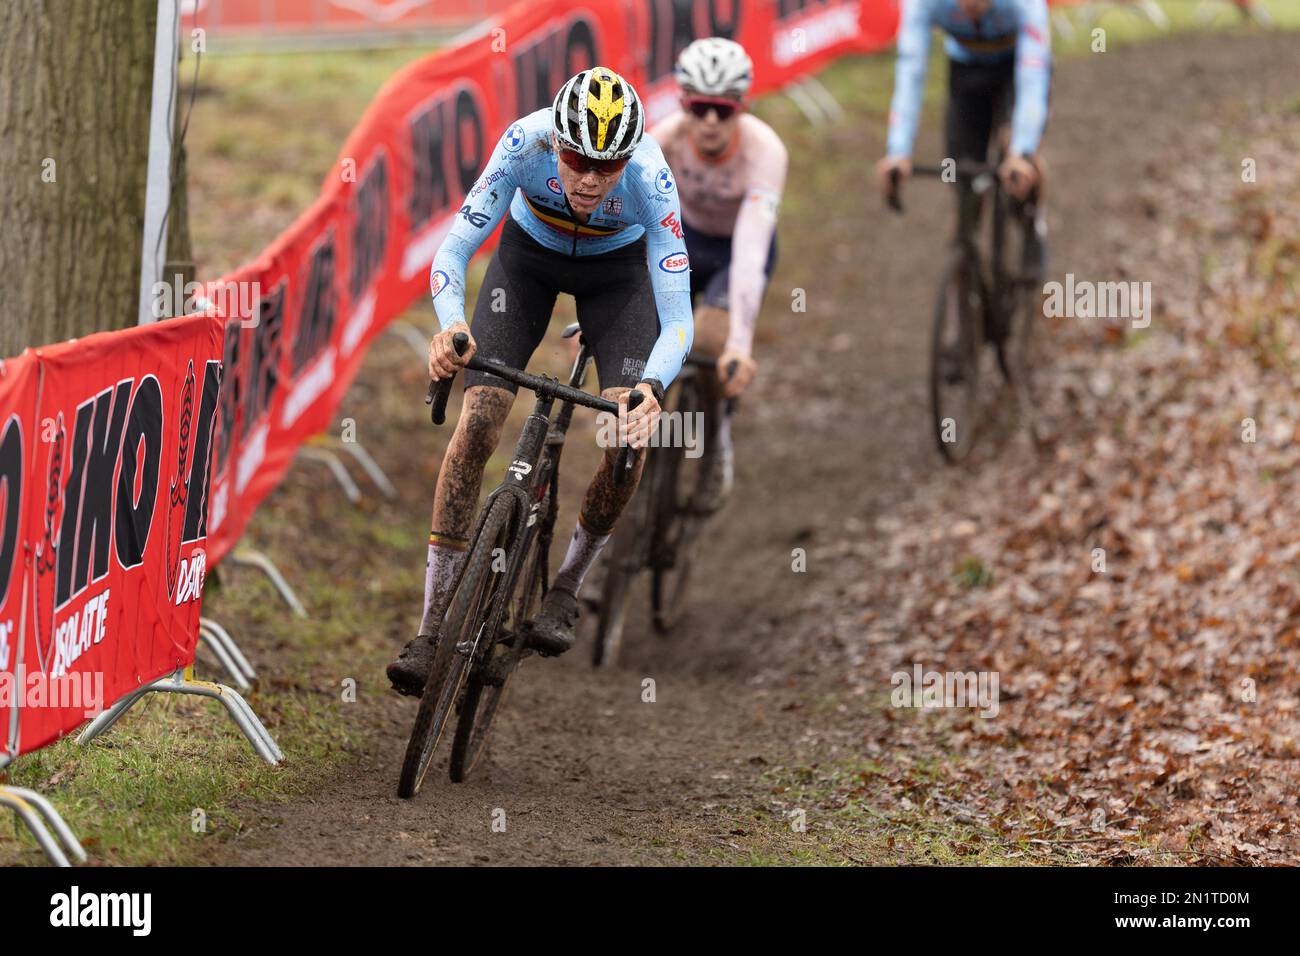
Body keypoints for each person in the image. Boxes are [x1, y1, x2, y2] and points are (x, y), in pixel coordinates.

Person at [387, 67, 693, 696]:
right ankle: (429, 630)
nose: (587, 178)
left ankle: (566, 589)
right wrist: (450, 330)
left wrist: (651, 388)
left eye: (606, 167)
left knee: (627, 439)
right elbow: (451, 253)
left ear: (628, 159)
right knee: (479, 419)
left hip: (619, 279)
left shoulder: (653, 183)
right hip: (527, 261)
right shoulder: (523, 143)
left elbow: (679, 319)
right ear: (557, 142)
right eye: (577, 157)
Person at [650, 37, 787, 504]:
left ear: (742, 108)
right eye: (699, 107)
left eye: (723, 111)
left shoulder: (765, 152)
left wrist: (739, 344)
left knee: (708, 342)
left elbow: (750, 252)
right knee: (645, 337)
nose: (710, 121)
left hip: (737, 251)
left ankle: (714, 440)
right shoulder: (662, 140)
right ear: (684, 103)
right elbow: (629, 222)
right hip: (683, 241)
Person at [876, 0, 1050, 279]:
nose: (971, 5)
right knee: (961, 172)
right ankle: (965, 256)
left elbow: (1033, 77)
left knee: (1016, 154)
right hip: (966, 70)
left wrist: (1021, 149)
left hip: (1016, 67)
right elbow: (911, 70)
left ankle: (1031, 224)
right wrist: (898, 149)